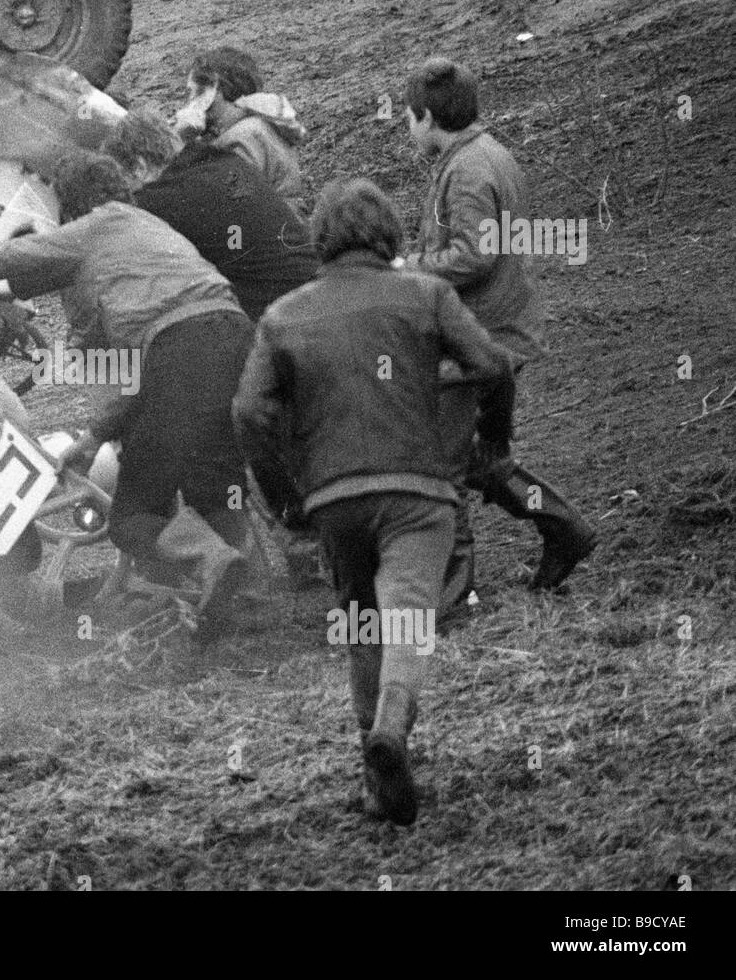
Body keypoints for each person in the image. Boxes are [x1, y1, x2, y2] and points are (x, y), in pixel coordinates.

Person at [0, 151, 254, 629]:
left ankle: (213, 563)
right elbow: (151, 383)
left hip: (177, 348)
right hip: (235, 335)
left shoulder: (92, 227)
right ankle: (249, 597)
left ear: (72, 206)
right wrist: (91, 440)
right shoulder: (150, 230)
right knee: (216, 479)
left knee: (132, 517)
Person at [233, 178, 515, 825]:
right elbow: (494, 365)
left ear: (321, 241)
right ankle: (392, 726)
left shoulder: (281, 316)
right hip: (417, 487)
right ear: (388, 234)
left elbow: (248, 412)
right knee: (409, 612)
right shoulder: (427, 293)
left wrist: (286, 496)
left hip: (334, 498)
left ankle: (373, 766)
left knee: (361, 620)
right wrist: (490, 441)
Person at [402, 57, 596, 604]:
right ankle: (566, 531)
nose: (407, 128)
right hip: (501, 327)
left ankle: (454, 595)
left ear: (427, 116)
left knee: (442, 469)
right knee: (478, 459)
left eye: (409, 118)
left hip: (483, 336)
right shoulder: (488, 154)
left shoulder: (467, 170)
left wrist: (404, 268)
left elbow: (474, 256)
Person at [101, 109, 319, 321]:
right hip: (314, 285)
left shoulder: (158, 199)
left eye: (126, 180)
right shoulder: (223, 159)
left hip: (278, 317)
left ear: (139, 167)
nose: (130, 191)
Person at [173, 46, 307, 214]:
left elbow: (228, 207)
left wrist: (180, 142)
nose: (190, 101)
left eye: (193, 92)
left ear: (214, 89)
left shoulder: (240, 137)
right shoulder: (259, 123)